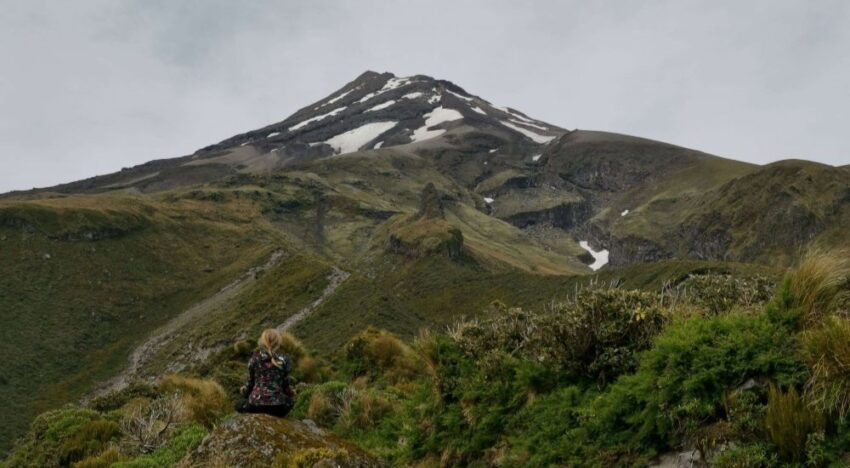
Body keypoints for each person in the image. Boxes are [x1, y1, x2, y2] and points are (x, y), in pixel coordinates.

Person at [236, 328, 295, 417]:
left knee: (238, 404)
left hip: (255, 406)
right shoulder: (284, 360)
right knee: (290, 402)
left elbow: (250, 383)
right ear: (278, 342)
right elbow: (285, 386)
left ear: (262, 342)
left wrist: (244, 392)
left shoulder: (254, 358)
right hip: (278, 407)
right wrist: (292, 393)